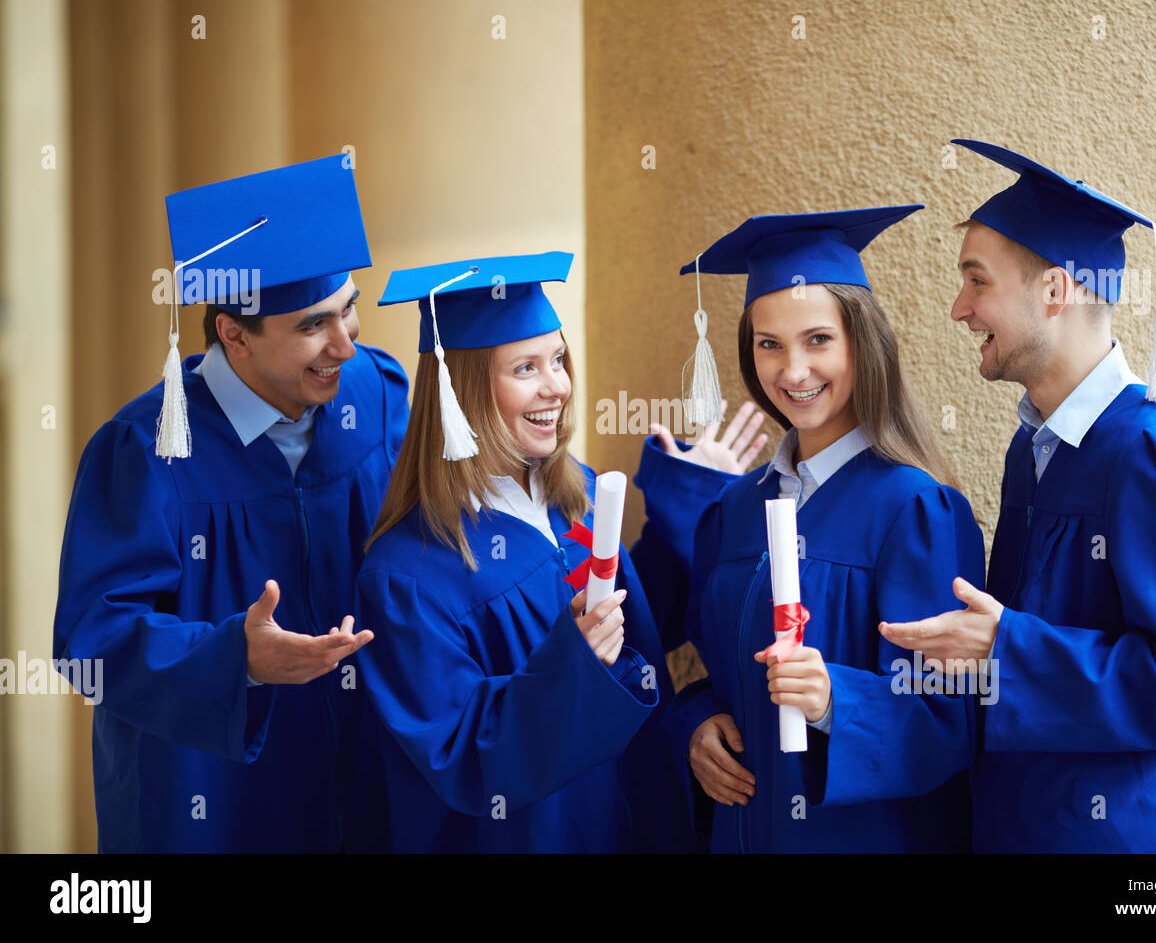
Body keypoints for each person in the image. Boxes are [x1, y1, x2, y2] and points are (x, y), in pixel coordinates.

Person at [882, 140, 1156, 852]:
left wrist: (1006, 649)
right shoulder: (1033, 449)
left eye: (976, 282)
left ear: (1055, 290)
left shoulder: (1154, 453)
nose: (959, 309)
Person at [52, 156, 409, 851]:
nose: (345, 345)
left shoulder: (377, 392)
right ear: (235, 336)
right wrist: (233, 657)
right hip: (210, 797)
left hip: (362, 773)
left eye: (350, 311)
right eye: (313, 326)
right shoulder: (145, 451)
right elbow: (89, 642)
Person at [358, 250, 754, 852]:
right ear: (459, 392)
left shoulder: (578, 493)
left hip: (640, 819)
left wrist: (687, 503)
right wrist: (570, 663)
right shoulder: (406, 575)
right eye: (526, 367)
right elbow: (458, 755)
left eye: (559, 360)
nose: (558, 386)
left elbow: (641, 634)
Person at [639, 206, 987, 851]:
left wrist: (835, 700)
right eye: (769, 344)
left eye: (818, 340)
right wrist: (695, 722)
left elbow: (952, 717)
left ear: (863, 342)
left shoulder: (915, 509)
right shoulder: (734, 510)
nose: (792, 372)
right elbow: (714, 669)